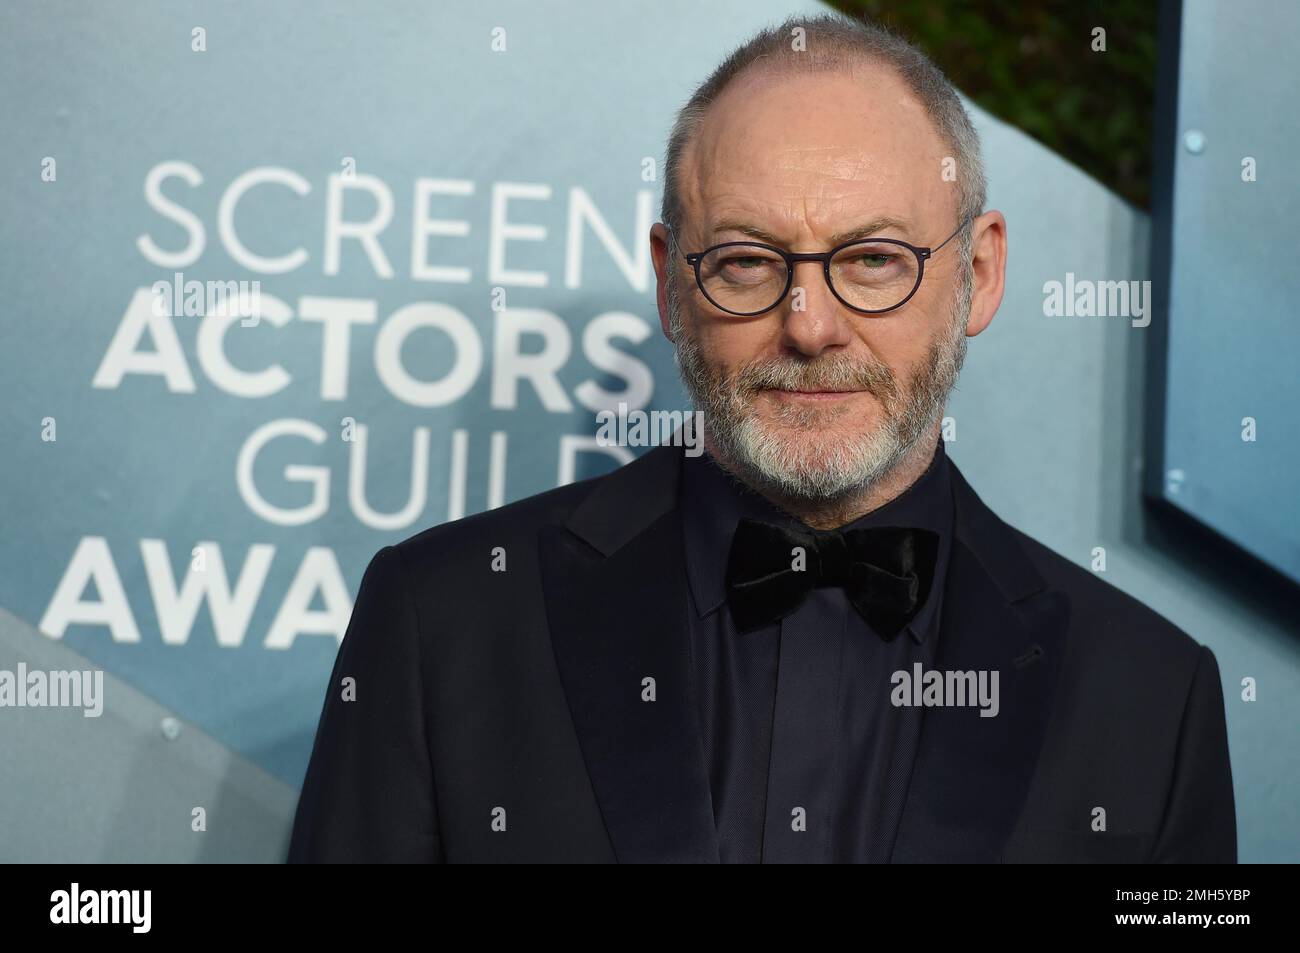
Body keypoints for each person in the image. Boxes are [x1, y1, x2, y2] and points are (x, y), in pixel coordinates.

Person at [288, 13, 1235, 863]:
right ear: (670, 284)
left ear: (978, 275)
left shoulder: (1148, 702)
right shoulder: (442, 624)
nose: (811, 325)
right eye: (746, 262)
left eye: (873, 260)